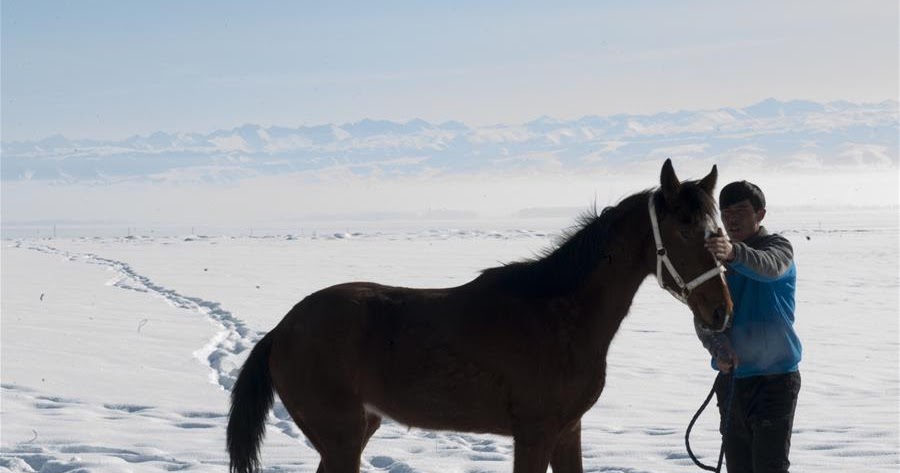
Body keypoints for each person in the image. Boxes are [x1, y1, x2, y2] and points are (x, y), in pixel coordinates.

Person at [698, 180, 802, 473]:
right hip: (732, 382)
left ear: (761, 215)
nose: (731, 219)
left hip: (776, 381)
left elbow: (769, 268)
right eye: (726, 212)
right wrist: (717, 347)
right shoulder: (715, 260)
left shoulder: (778, 248)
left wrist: (732, 254)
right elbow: (704, 315)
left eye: (741, 211)